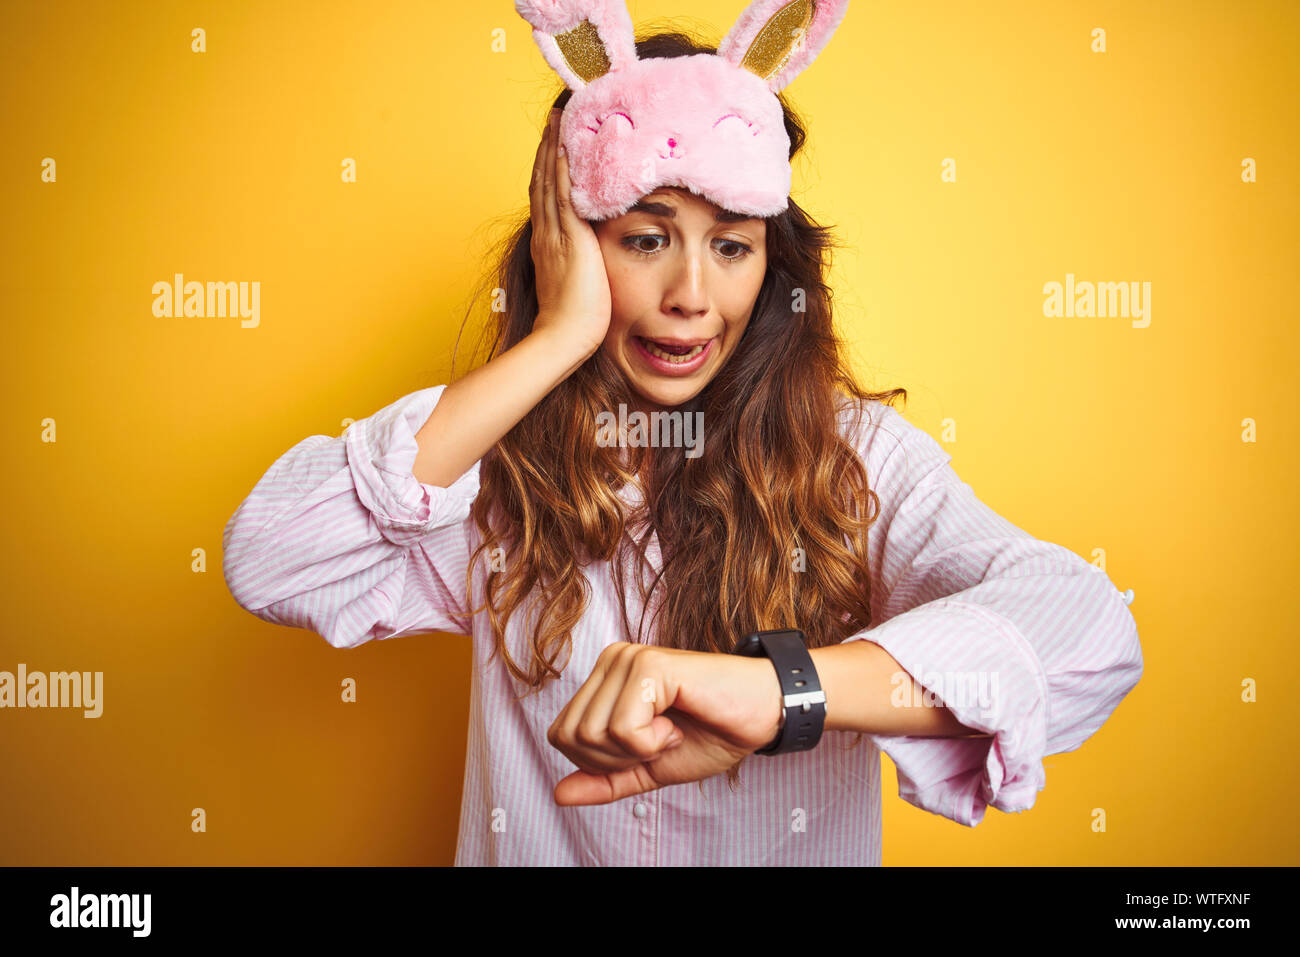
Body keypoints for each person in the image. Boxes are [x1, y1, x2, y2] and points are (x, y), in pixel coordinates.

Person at [222, 3, 1143, 866]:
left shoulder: (855, 461)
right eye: (645, 239)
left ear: (771, 266)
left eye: (732, 245)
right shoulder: (498, 474)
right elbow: (269, 556)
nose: (692, 295)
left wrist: (780, 691)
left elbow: (1088, 632)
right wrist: (553, 341)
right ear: (568, 246)